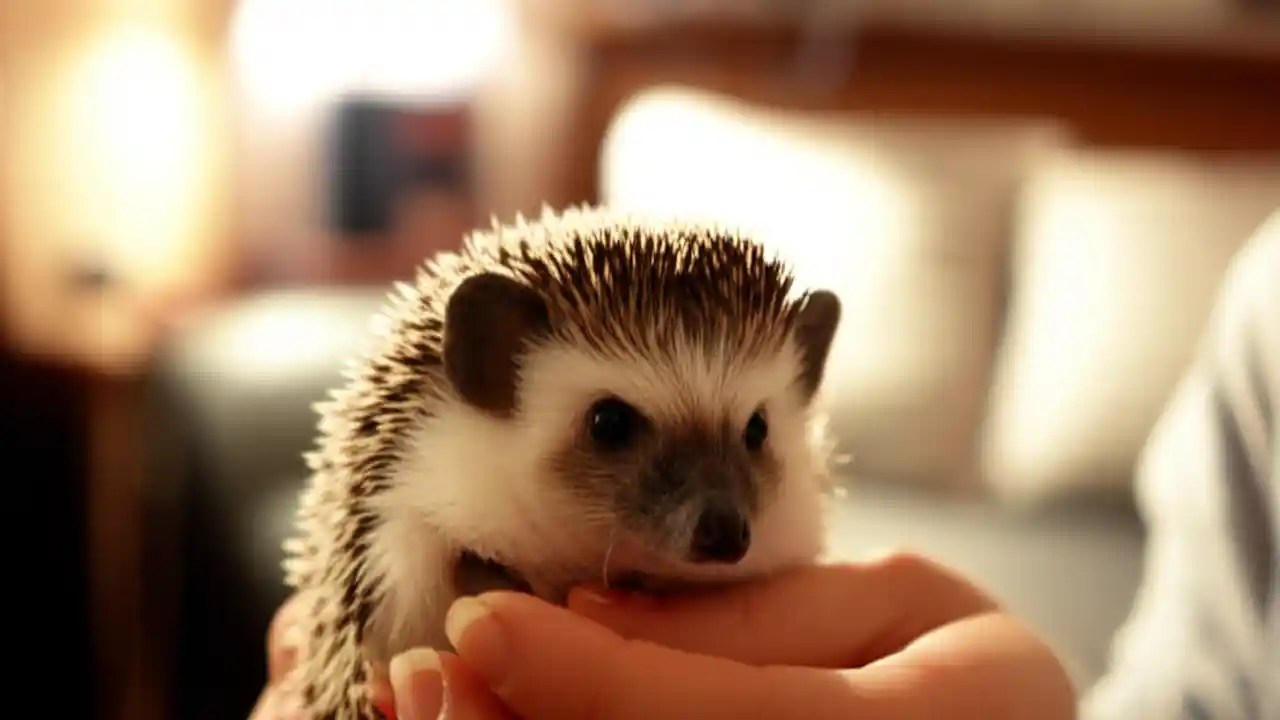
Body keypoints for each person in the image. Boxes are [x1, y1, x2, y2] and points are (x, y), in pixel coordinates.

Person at [252, 214, 1279, 720]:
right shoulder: (432, 508)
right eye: (613, 427)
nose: (721, 512)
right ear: (493, 367)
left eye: (751, 437)